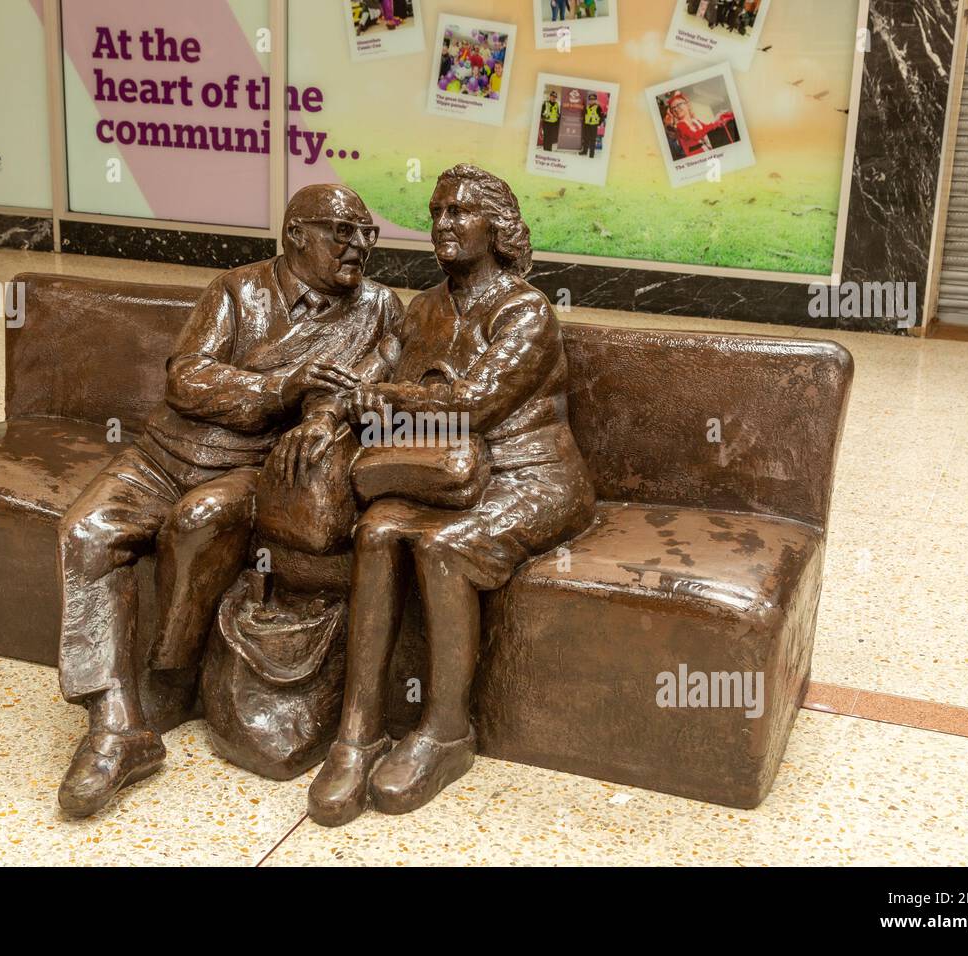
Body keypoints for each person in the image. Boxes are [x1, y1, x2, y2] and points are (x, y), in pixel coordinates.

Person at [57, 185, 402, 817]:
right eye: (341, 232)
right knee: (86, 531)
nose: (359, 246)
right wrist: (279, 386)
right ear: (295, 234)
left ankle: (169, 675)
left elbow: (370, 387)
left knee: (202, 518)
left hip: (252, 470)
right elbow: (186, 376)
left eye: (367, 234)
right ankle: (115, 725)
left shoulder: (378, 308)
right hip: (160, 456)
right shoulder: (238, 290)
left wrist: (322, 416)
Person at [307, 164, 596, 826]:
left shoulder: (527, 313)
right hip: (447, 473)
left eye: (460, 212)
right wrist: (331, 415)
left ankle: (446, 732)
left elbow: (473, 403)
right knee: (377, 531)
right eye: (436, 212)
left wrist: (390, 402)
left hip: (532, 476)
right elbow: (370, 377)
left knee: (443, 548)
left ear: (497, 228)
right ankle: (358, 733)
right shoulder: (427, 308)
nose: (442, 224)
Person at [665, 90, 735, 156]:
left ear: (686, 105)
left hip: (706, 151)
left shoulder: (695, 121)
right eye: (673, 108)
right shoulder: (680, 125)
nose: (676, 109)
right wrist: (714, 124)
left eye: (678, 105)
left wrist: (719, 118)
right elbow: (696, 136)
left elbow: (707, 129)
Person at [580, 91, 606, 159]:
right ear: (589, 100)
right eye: (590, 99)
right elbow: (584, 115)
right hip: (587, 125)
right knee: (585, 139)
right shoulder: (587, 107)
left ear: (595, 100)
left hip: (593, 126)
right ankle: (584, 152)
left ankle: (591, 154)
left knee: (592, 140)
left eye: (593, 99)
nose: (591, 101)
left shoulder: (598, 107)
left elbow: (602, 116)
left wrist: (598, 123)